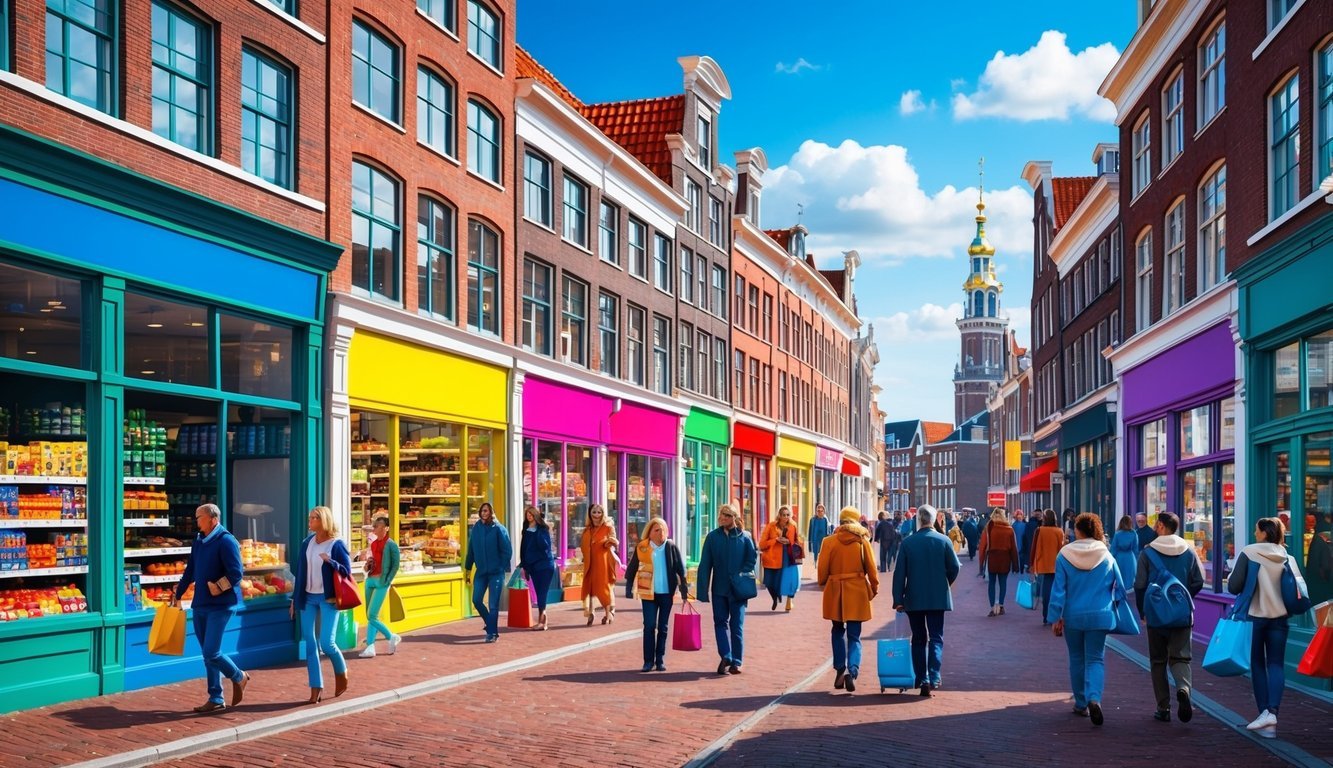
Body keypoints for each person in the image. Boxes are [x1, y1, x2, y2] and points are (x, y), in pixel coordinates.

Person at [1228, 517, 1307, 739]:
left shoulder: (1250, 552)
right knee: (1276, 664)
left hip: (1254, 618)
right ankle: (1272, 714)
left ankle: (1265, 714)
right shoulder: (1287, 557)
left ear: (1264, 532)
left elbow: (1234, 586)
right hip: (1280, 618)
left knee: (1257, 664)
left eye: (1256, 530)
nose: (1254, 534)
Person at [1047, 513, 1122, 726]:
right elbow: (1120, 586)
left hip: (1073, 616)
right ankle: (1094, 698)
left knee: (1077, 658)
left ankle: (1081, 702)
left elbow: (1059, 590)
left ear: (1078, 530)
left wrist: (1055, 617)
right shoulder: (1106, 555)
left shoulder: (1064, 555)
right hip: (1101, 615)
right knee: (1096, 659)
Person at [172, 503, 248, 713]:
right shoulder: (199, 541)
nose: (196, 521)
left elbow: (236, 573)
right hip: (201, 604)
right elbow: (191, 569)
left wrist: (219, 587)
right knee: (208, 655)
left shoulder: (226, 541)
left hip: (222, 605)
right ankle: (216, 697)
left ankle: (239, 676)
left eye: (199, 517)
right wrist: (179, 593)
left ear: (212, 519)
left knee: (211, 651)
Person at [1133, 511, 1204, 724]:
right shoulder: (1188, 550)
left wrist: (1142, 611)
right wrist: (1184, 599)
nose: (1155, 528)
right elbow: (1198, 581)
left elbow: (1139, 585)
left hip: (1156, 615)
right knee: (1181, 657)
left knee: (1157, 660)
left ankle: (1163, 707)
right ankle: (1183, 688)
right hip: (1182, 615)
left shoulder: (1148, 553)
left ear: (1162, 526)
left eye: (1157, 525)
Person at [892, 504, 959, 697]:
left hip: (914, 598)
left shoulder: (908, 543)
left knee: (919, 639)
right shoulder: (944, 541)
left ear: (918, 520)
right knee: (936, 637)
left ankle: (922, 678)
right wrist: (944, 584)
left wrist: (898, 599)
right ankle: (934, 675)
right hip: (938, 598)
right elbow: (954, 568)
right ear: (933, 520)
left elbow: (899, 574)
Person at [290, 505, 352, 704]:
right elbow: (300, 573)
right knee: (310, 642)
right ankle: (315, 687)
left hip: (328, 598)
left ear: (323, 521)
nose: (309, 521)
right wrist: (294, 599)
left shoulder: (336, 545)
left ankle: (341, 672)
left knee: (327, 643)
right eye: (309, 518)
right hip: (307, 597)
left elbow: (347, 571)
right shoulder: (306, 543)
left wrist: (331, 562)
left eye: (313, 518)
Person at [819, 506, 879, 693]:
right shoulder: (862, 541)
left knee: (837, 630)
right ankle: (852, 671)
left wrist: (825, 583)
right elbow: (871, 567)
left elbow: (822, 572)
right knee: (854, 635)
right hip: (857, 590)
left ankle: (839, 668)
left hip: (835, 590)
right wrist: (874, 587)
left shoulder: (828, 542)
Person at [697, 504, 758, 675]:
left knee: (736, 625)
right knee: (720, 623)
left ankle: (737, 661)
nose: (722, 518)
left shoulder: (745, 537)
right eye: (721, 515)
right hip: (719, 589)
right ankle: (726, 655)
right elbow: (705, 564)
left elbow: (751, 559)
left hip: (738, 591)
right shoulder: (712, 538)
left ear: (734, 517)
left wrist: (741, 574)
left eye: (726, 515)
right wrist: (702, 590)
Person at [624, 517, 689, 671]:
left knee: (663, 627)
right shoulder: (643, 547)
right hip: (648, 593)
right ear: (650, 532)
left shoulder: (671, 546)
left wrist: (684, 591)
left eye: (663, 530)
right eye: (657, 530)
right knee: (649, 625)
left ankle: (659, 659)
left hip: (666, 593)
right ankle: (648, 661)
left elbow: (680, 569)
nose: (661, 533)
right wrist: (628, 587)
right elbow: (632, 568)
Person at [464, 501, 512, 642]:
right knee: (476, 600)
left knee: (493, 605)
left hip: (496, 572)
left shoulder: (499, 529)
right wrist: (468, 568)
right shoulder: (476, 529)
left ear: (491, 512)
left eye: (486, 511)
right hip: (481, 572)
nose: (484, 513)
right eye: (482, 511)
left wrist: (501, 566)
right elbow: (471, 550)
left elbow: (507, 551)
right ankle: (490, 624)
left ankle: (492, 633)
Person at [358, 514, 402, 657]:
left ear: (386, 528)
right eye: (374, 526)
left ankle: (391, 636)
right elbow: (375, 560)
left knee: (372, 615)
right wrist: (369, 563)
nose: (374, 529)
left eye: (377, 526)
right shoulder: (374, 544)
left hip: (382, 582)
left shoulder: (391, 545)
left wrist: (387, 580)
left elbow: (395, 565)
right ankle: (370, 647)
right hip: (370, 580)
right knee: (370, 615)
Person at [579, 504, 619, 626]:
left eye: (599, 512)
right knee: (589, 588)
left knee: (603, 588)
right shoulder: (587, 529)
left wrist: (608, 542)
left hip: (603, 562)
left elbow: (615, 541)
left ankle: (609, 613)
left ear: (603, 514)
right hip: (589, 563)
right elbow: (583, 545)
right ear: (590, 514)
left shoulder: (607, 527)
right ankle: (590, 613)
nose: (596, 515)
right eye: (594, 512)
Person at [519, 505, 556, 631]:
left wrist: (538, 530)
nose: (529, 516)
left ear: (536, 515)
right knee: (538, 591)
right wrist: (524, 565)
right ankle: (542, 618)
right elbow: (523, 549)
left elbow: (545, 547)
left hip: (545, 565)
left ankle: (543, 619)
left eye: (531, 514)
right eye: (527, 514)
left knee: (542, 591)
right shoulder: (525, 530)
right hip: (532, 566)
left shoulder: (542, 530)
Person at [759, 505, 802, 612]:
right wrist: (776, 540)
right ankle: (775, 598)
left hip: (788, 557)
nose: (786, 517)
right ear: (779, 515)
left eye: (788, 515)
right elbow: (762, 544)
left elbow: (798, 541)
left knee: (787, 580)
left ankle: (787, 599)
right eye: (783, 515)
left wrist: (789, 542)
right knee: (769, 582)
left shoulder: (793, 527)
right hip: (772, 558)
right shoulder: (771, 526)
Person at [978, 508, 1018, 616]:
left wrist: (981, 563)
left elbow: (982, 546)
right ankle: (1001, 605)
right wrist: (1015, 564)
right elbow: (1014, 548)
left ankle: (992, 607)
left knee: (991, 583)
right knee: (1003, 582)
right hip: (1005, 558)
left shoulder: (989, 528)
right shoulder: (1009, 529)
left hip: (992, 557)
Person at [1032, 509, 1065, 624]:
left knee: (1046, 591)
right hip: (1057, 565)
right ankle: (1055, 615)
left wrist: (1035, 565)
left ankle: (1046, 615)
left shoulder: (1040, 530)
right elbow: (1062, 550)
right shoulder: (1059, 531)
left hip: (1044, 564)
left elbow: (1037, 549)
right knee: (1057, 590)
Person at [1110, 515, 1140, 595]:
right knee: (1130, 577)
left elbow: (1113, 549)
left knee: (1120, 575)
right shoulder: (1134, 533)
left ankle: (1120, 593)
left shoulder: (1117, 534)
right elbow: (1135, 549)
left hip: (1119, 557)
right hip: (1130, 557)